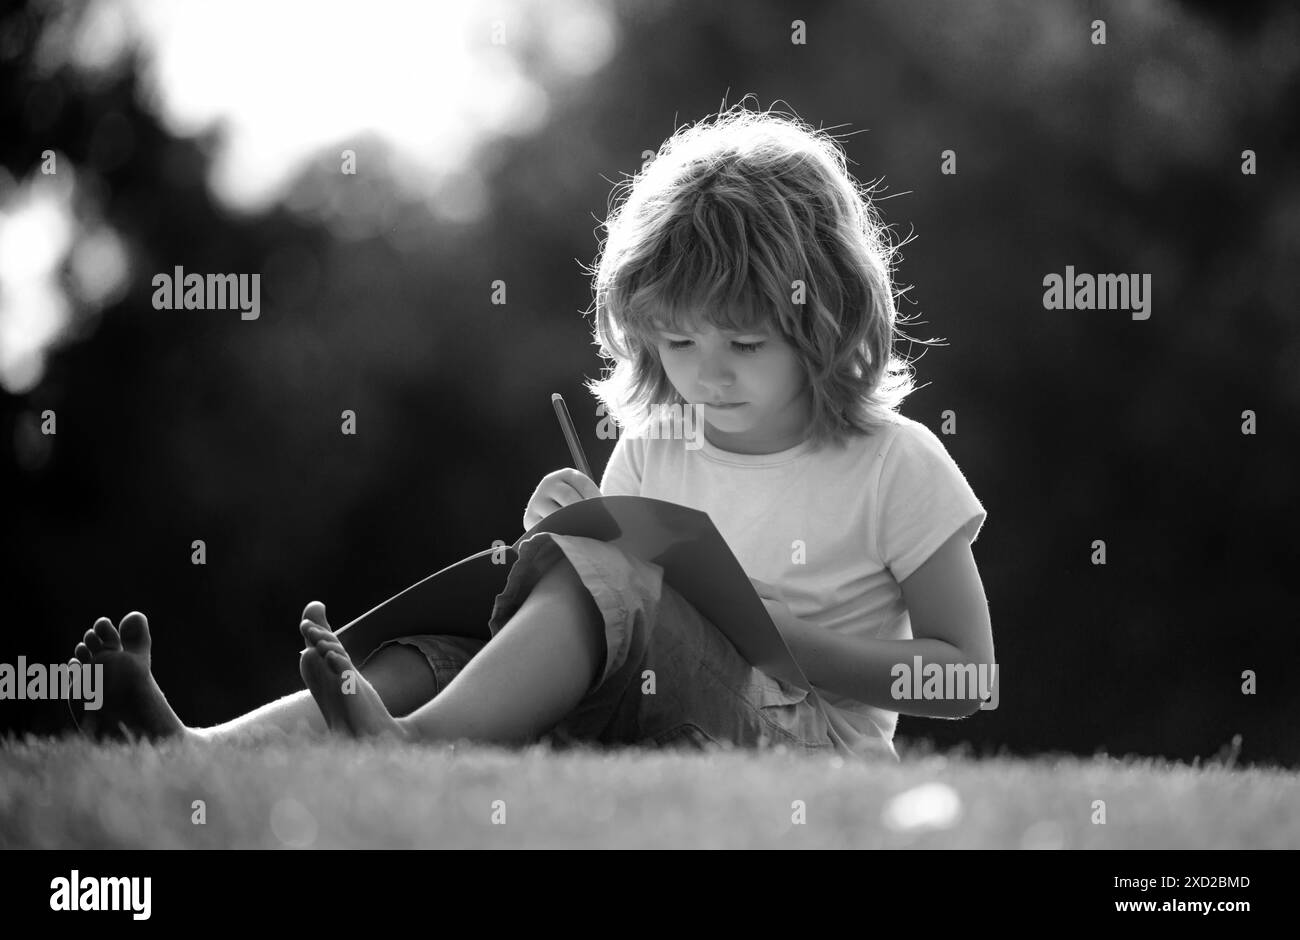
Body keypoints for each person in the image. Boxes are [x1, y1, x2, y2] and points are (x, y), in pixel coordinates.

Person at [70, 103, 994, 761]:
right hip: (648, 710)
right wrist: (564, 551)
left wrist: (780, 636)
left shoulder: (894, 463)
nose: (706, 372)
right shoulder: (662, 446)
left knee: (613, 576)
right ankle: (205, 749)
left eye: (745, 343)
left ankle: (418, 748)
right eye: (675, 341)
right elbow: (616, 623)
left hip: (803, 749)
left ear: (823, 317)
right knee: (474, 640)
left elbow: (970, 682)